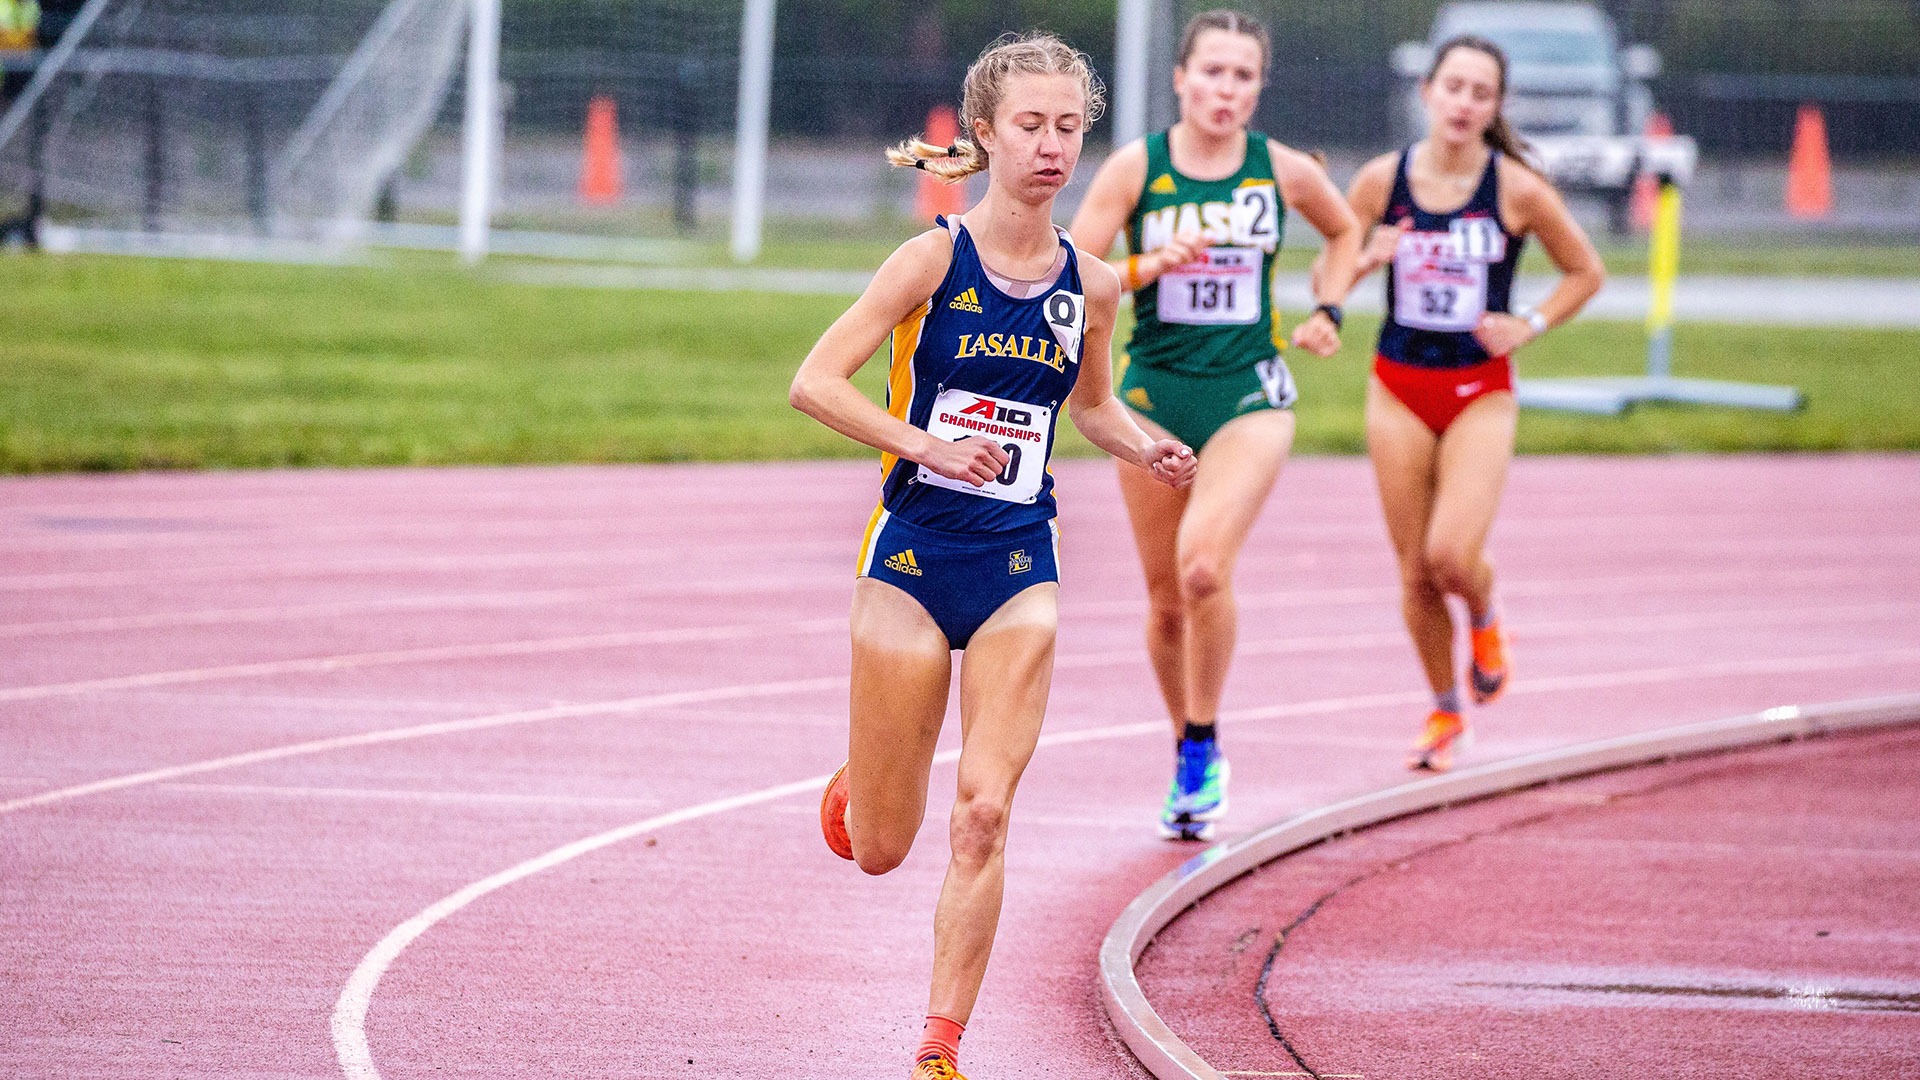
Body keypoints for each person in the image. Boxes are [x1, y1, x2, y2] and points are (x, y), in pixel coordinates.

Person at [789, 32, 1198, 1080]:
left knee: (982, 813)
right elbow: (815, 383)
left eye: (1069, 127)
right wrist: (926, 446)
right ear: (985, 133)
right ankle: (866, 777)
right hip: (912, 555)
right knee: (881, 848)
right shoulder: (931, 260)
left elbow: (1093, 408)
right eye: (1030, 126)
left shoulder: (1092, 285)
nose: (1052, 146)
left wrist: (1147, 445)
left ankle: (939, 1047)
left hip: (1019, 563)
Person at [1067, 9, 1360, 841]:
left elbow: (1344, 232)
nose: (1227, 90)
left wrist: (1330, 308)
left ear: (1258, 87)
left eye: (1243, 76)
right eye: (1213, 72)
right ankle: (1189, 750)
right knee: (1166, 603)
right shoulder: (1139, 167)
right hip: (1150, 398)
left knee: (1202, 568)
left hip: (1248, 395)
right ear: (1181, 79)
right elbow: (1074, 269)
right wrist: (1146, 265)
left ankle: (1201, 739)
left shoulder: (1280, 169)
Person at [1334, 34, 1603, 771]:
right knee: (1415, 570)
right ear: (1427, 91)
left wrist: (1529, 323)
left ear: (1495, 107)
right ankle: (1446, 711)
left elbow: (1585, 271)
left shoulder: (1516, 188)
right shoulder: (1381, 180)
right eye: (1453, 87)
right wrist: (1364, 260)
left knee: (1452, 554)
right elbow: (1331, 276)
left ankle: (1485, 611)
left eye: (1480, 93)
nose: (1463, 103)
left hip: (1480, 389)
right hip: (1398, 386)